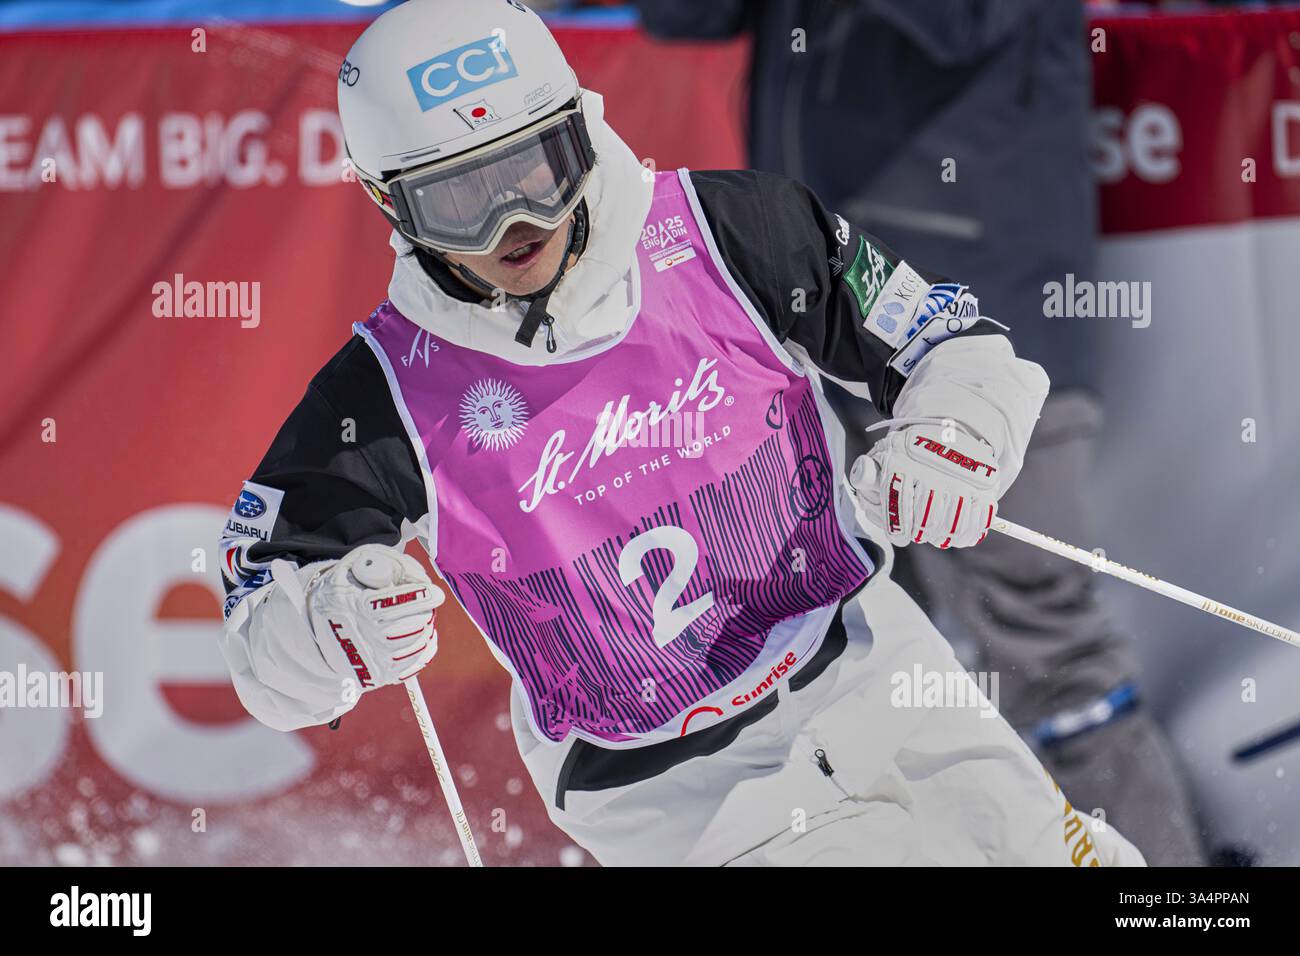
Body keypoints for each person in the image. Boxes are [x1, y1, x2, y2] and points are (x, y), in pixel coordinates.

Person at [217, 0, 1143, 866]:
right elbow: (260, 619)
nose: (517, 223)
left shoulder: (729, 231)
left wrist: (956, 433)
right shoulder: (387, 391)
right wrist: (324, 629)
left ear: (577, 131)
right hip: (676, 794)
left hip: (873, 672)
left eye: (535, 169)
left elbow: (948, 338)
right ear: (393, 208)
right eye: (459, 202)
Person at [635, 0, 1205, 865]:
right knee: (876, 676)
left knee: (1045, 637)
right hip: (827, 334)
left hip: (984, 326)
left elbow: (959, 23)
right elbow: (685, 17)